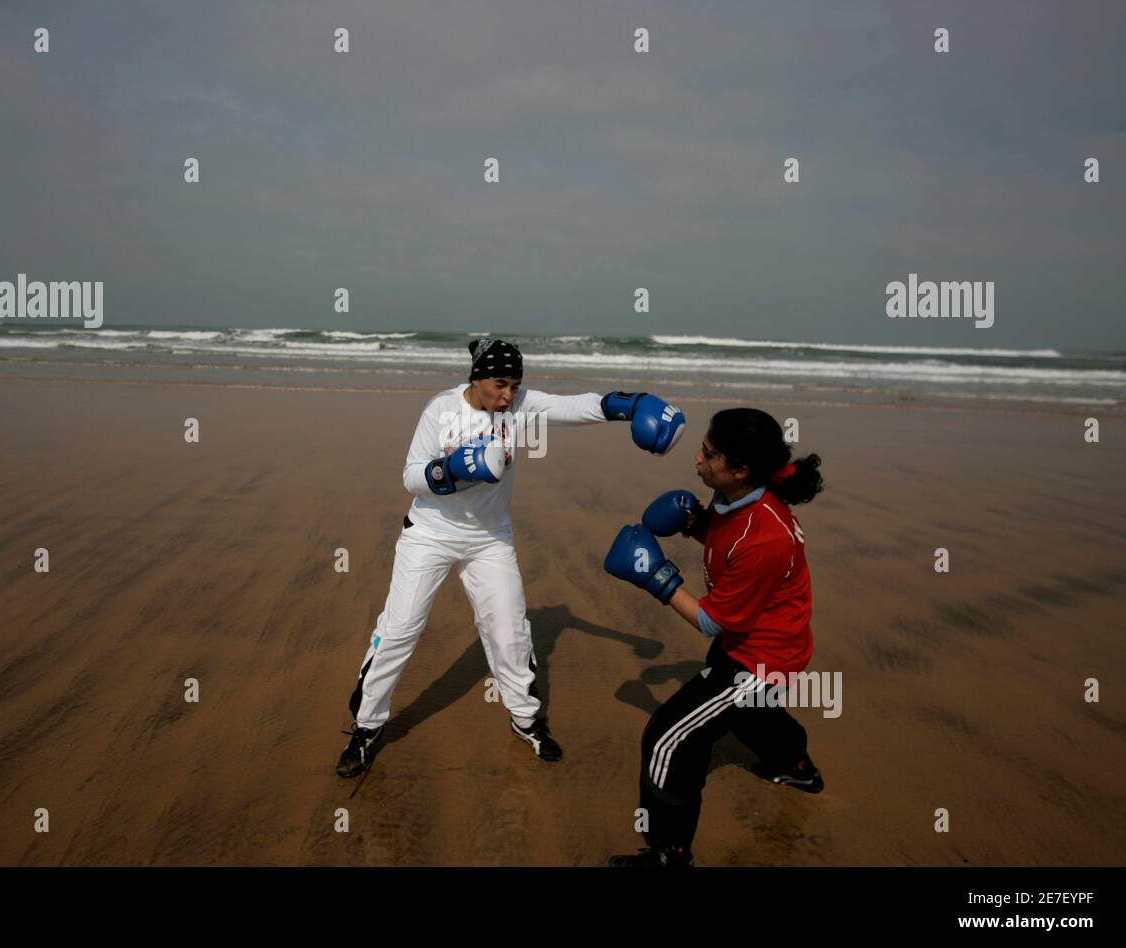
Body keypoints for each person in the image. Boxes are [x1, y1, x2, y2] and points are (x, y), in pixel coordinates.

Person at [336, 337, 687, 777]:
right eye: (500, 384)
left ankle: (526, 720)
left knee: (509, 633)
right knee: (400, 631)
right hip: (430, 535)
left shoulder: (518, 406)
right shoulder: (440, 410)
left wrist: (630, 405)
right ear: (477, 378)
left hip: (489, 540)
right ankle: (367, 726)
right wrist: (453, 469)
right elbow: (411, 477)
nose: (507, 395)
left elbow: (573, 406)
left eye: (515, 385)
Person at [602, 407, 825, 867]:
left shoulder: (766, 538)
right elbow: (728, 543)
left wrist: (656, 577)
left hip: (761, 658)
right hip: (760, 641)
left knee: (668, 740)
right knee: (748, 717)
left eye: (710, 453)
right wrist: (695, 525)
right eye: (703, 446)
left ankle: (668, 855)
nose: (697, 459)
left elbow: (713, 621)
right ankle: (796, 767)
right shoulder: (738, 498)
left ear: (740, 469)